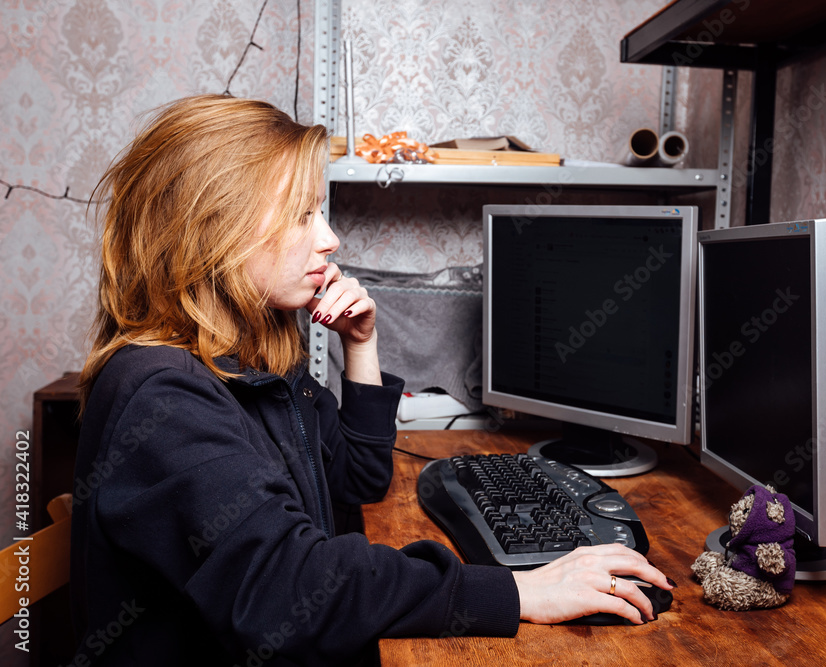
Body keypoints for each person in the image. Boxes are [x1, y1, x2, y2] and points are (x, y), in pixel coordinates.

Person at [72, 94, 673, 665]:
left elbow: (357, 480)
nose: (330, 239)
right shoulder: (164, 396)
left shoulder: (243, 360)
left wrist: (361, 344)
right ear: (210, 230)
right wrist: (518, 594)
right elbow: (290, 589)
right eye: (300, 214)